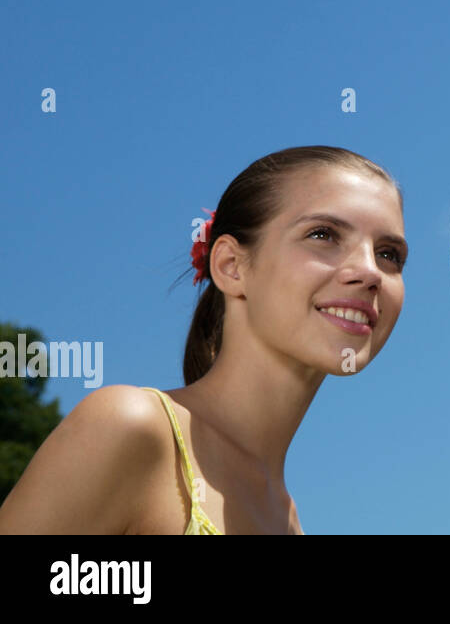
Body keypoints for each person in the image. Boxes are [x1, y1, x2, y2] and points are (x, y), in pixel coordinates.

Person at [0, 146, 407, 534]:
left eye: (389, 254)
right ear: (231, 266)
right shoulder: (132, 428)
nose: (370, 272)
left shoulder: (292, 524)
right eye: (323, 234)